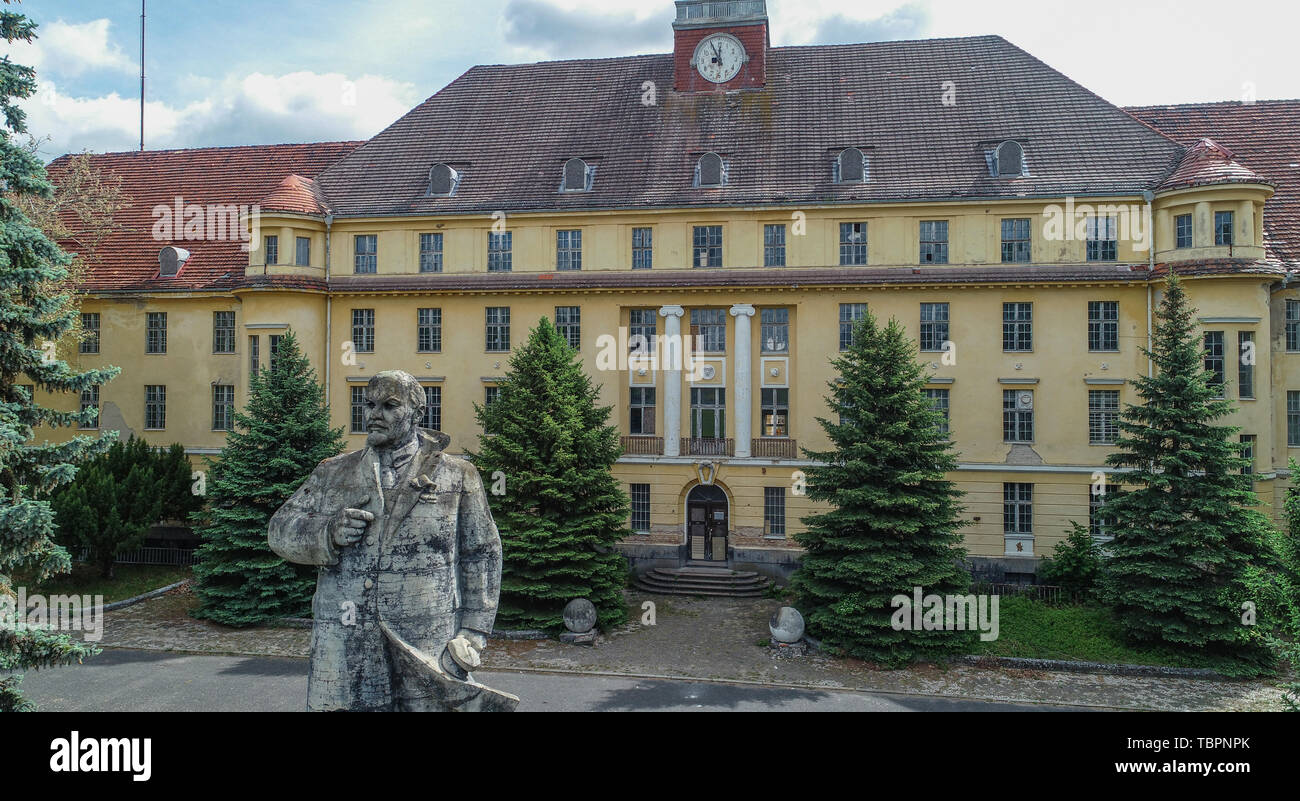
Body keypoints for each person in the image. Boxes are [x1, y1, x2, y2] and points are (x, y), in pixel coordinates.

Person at [268, 370, 506, 711]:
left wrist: (473, 633)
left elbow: (482, 553)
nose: (374, 414)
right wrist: (327, 532)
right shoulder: (333, 472)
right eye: (369, 404)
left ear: (417, 413)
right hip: (346, 640)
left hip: (426, 641)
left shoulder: (458, 476)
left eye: (389, 405)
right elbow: (279, 529)